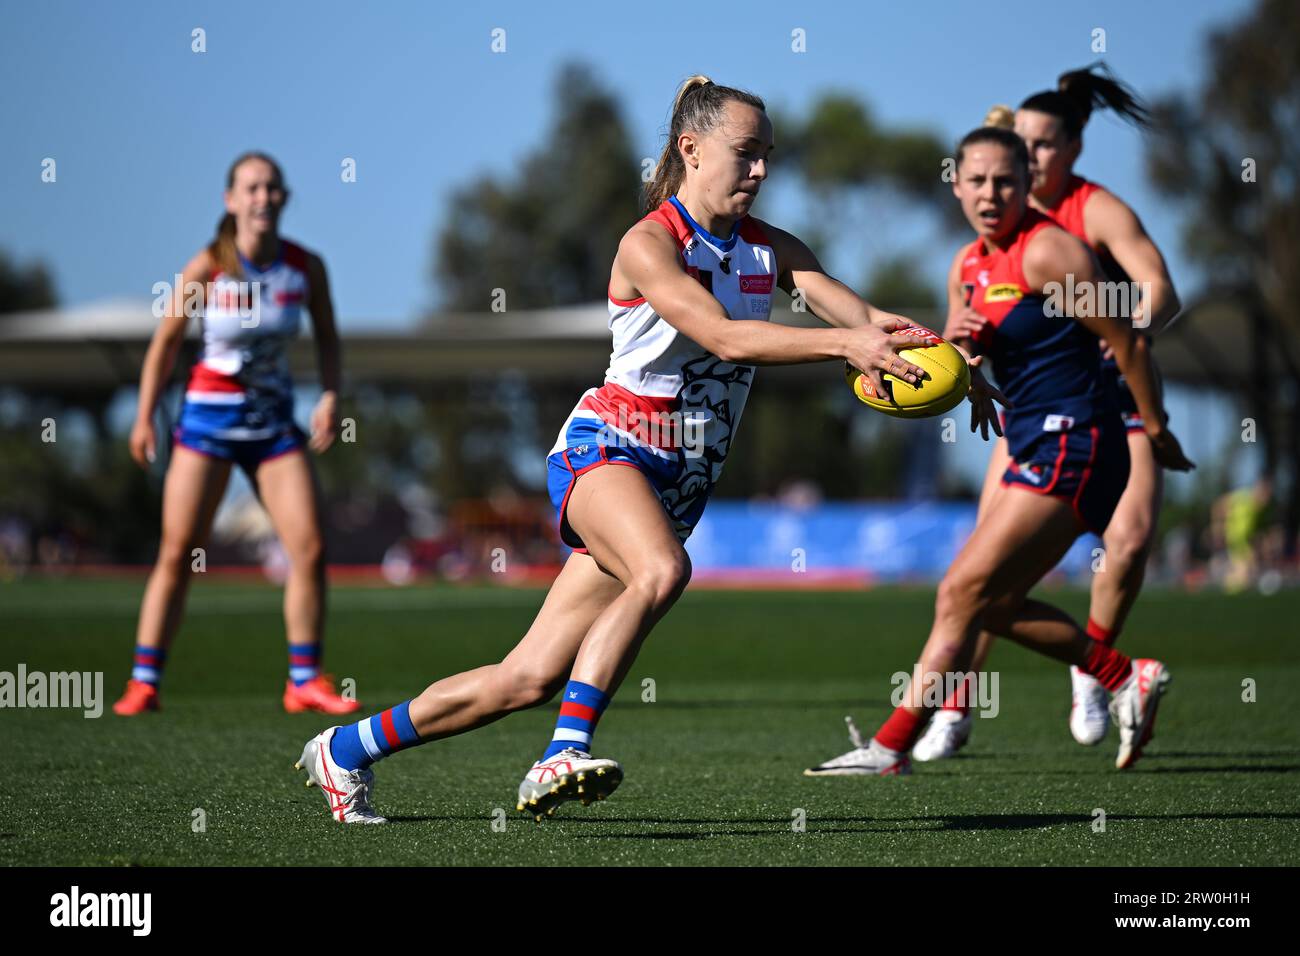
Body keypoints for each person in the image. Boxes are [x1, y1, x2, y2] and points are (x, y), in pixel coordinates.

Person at [293, 75, 1002, 824]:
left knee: (525, 676)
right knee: (664, 569)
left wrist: (949, 365)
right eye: (746, 154)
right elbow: (725, 336)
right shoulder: (648, 244)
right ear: (691, 151)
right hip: (608, 449)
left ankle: (346, 750)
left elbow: (865, 318)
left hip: (676, 484)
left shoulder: (773, 249)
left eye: (768, 156)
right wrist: (844, 346)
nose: (760, 171)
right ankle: (562, 752)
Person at [805, 125, 1193, 778]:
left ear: (1027, 185)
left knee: (960, 590)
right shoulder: (967, 264)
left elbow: (1126, 340)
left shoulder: (1049, 253)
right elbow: (972, 350)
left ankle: (891, 745)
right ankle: (1126, 675)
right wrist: (964, 363)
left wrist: (1155, 428)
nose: (991, 193)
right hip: (1030, 440)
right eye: (977, 180)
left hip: (1080, 441)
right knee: (994, 604)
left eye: (1006, 181)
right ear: (956, 184)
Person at [914, 67, 1184, 760]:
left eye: (1042, 145)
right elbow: (963, 327)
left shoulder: (1095, 213)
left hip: (1111, 397)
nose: (1029, 157)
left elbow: (1160, 290)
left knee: (1126, 543)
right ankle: (956, 705)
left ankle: (1094, 670)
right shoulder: (991, 231)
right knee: (981, 566)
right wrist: (955, 356)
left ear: (1073, 149)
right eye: (1020, 144)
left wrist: (1120, 335)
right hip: (1035, 408)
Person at [113, 152, 357, 718]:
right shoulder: (208, 266)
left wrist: (329, 396)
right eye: (251, 188)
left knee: (311, 547)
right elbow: (166, 344)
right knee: (178, 551)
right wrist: (145, 414)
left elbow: (327, 336)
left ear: (285, 197)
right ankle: (144, 682)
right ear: (230, 200)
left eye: (272, 188)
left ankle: (304, 680)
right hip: (206, 427)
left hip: (273, 427)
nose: (263, 197)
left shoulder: (305, 267)